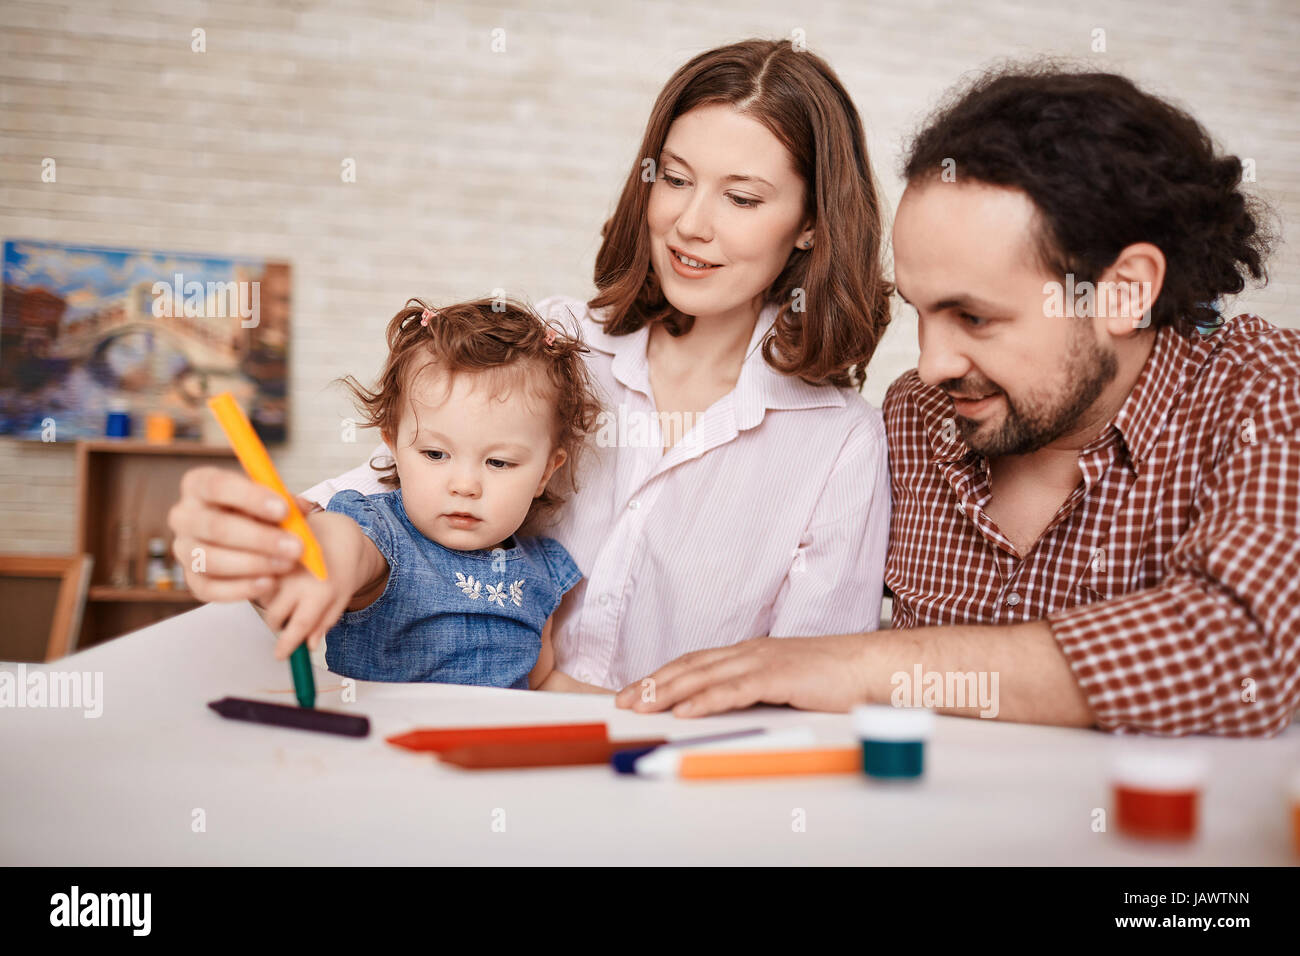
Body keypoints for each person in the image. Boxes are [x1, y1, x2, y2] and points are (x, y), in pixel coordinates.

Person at [167, 38, 894, 690]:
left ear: (809, 225)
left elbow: (808, 689)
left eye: (740, 197)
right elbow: (377, 510)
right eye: (673, 179)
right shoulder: (555, 346)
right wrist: (283, 548)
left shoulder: (838, 442)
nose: (689, 223)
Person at [617, 64, 1300, 738]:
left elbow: (1245, 650)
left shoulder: (1264, 393)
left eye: (974, 318)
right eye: (920, 311)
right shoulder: (916, 419)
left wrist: (856, 667)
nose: (931, 365)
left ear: (1124, 291)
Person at [259, 297, 601, 690]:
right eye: (435, 454)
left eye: (499, 462)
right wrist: (318, 556)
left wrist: (644, 712)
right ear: (394, 447)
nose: (465, 486)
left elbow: (541, 684)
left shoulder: (542, 573)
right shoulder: (384, 538)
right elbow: (346, 545)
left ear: (545, 473)